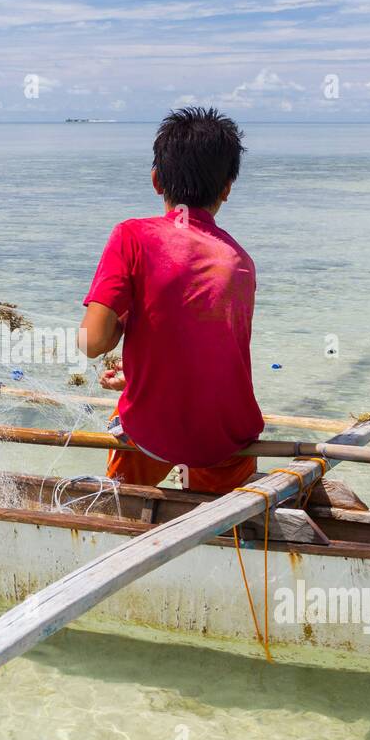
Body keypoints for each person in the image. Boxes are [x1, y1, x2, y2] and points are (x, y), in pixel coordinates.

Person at [78, 107, 265, 493]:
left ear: (155, 180)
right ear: (227, 188)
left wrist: (120, 327)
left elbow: (91, 343)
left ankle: (127, 518)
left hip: (154, 435)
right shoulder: (241, 261)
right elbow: (203, 348)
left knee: (125, 493)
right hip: (228, 441)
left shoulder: (132, 236)